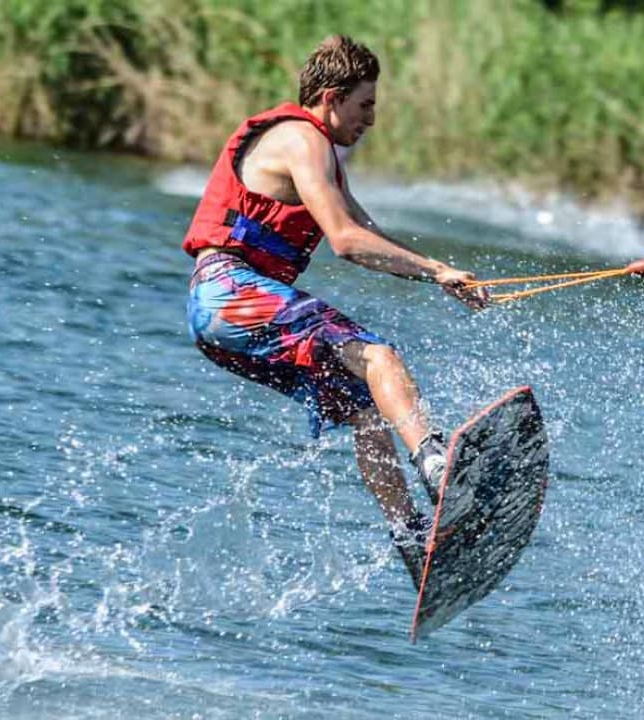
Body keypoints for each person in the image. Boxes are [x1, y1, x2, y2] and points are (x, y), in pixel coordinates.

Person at [182, 35, 488, 587]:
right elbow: (345, 242)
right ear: (331, 97)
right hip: (231, 291)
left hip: (216, 319)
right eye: (365, 103)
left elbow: (367, 232)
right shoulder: (303, 140)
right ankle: (441, 470)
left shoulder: (316, 155)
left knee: (370, 412)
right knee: (378, 358)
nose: (373, 117)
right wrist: (437, 273)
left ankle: (413, 538)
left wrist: (439, 272)